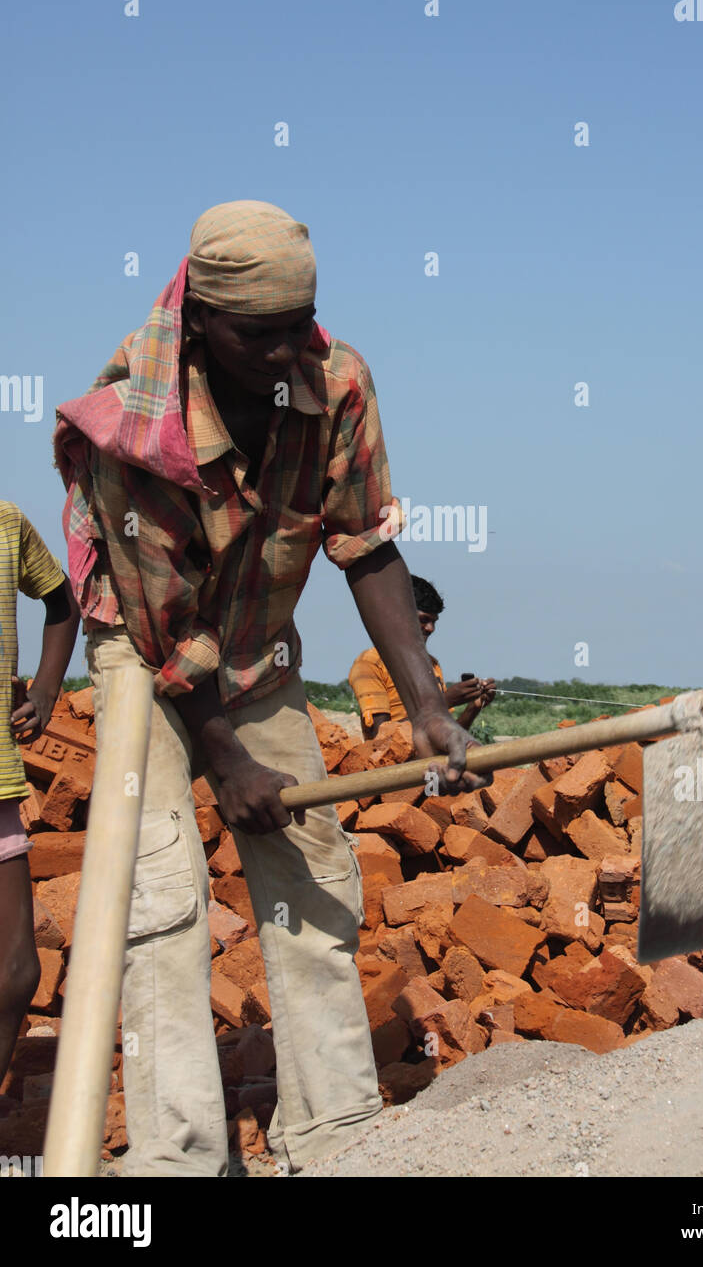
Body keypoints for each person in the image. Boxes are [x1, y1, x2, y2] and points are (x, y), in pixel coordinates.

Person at [53, 199, 492, 1177]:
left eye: (303, 323)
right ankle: (182, 1156)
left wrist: (422, 704)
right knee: (160, 892)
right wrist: (226, 757)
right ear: (206, 321)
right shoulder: (137, 415)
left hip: (256, 644)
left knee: (311, 871)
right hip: (142, 649)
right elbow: (161, 622)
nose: (290, 349)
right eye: (263, 334)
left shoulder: (333, 381)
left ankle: (333, 1132)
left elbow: (366, 542)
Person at [0, 501, 78, 1083]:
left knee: (17, 973)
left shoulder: (6, 524)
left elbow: (61, 601)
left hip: (0, 788)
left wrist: (47, 690)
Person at [349, 574, 496, 740]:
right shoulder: (370, 664)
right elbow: (380, 740)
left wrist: (473, 707)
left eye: (434, 621)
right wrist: (442, 702)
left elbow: (446, 739)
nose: (431, 628)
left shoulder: (431, 665)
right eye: (423, 620)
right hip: (397, 766)